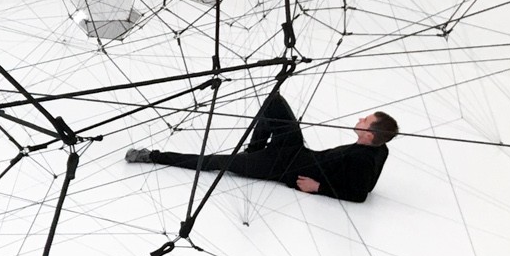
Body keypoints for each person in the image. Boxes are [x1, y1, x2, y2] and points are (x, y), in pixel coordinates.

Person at [126, 91, 397, 203]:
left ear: (370, 136)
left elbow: (361, 193)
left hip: (281, 168)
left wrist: (319, 188)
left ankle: (152, 156)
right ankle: (254, 149)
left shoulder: (366, 158)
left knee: (213, 162)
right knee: (274, 102)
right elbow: (368, 185)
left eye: (366, 121)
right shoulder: (380, 148)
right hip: (297, 152)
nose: (361, 119)